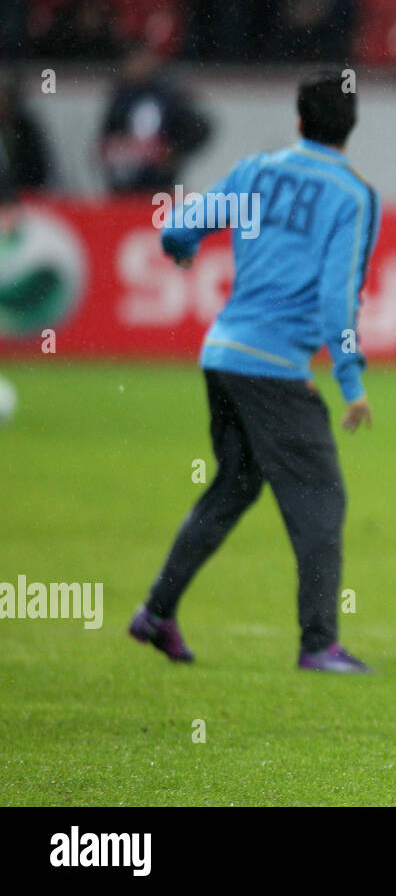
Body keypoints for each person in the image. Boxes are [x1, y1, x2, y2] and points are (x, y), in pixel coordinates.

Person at [129, 71, 380, 674]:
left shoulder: (255, 173)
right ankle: (318, 644)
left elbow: (176, 231)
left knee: (236, 485)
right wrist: (350, 381)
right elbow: (336, 298)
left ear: (298, 122)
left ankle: (157, 612)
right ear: (351, 128)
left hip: (222, 353)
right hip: (272, 366)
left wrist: (185, 252)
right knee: (321, 498)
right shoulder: (351, 195)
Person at [99, 44, 211, 193]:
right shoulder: (120, 98)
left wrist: (176, 151)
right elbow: (108, 137)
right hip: (125, 184)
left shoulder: (167, 96)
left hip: (159, 184)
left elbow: (199, 128)